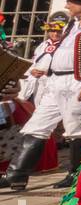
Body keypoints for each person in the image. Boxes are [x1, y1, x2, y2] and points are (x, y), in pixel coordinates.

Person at [0, 0, 81, 192]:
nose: (67, 5)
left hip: (77, 81)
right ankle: (16, 175)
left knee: (76, 128)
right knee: (37, 125)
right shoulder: (73, 24)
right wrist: (44, 69)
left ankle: (76, 174)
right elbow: (60, 53)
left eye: (70, 2)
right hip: (56, 81)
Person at [0, 13, 67, 177]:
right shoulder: (42, 46)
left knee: (42, 117)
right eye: (52, 31)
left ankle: (22, 165)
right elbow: (33, 63)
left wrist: (12, 86)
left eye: (58, 31)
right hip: (35, 84)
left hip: (51, 84)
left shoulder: (66, 47)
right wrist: (31, 71)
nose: (54, 34)